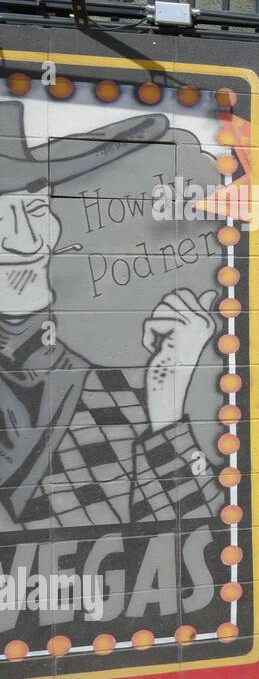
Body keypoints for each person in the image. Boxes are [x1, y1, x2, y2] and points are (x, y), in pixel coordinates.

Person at [0, 100, 223, 531]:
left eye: (35, 209)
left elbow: (200, 548)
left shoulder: (107, 396)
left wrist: (165, 399)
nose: (26, 240)